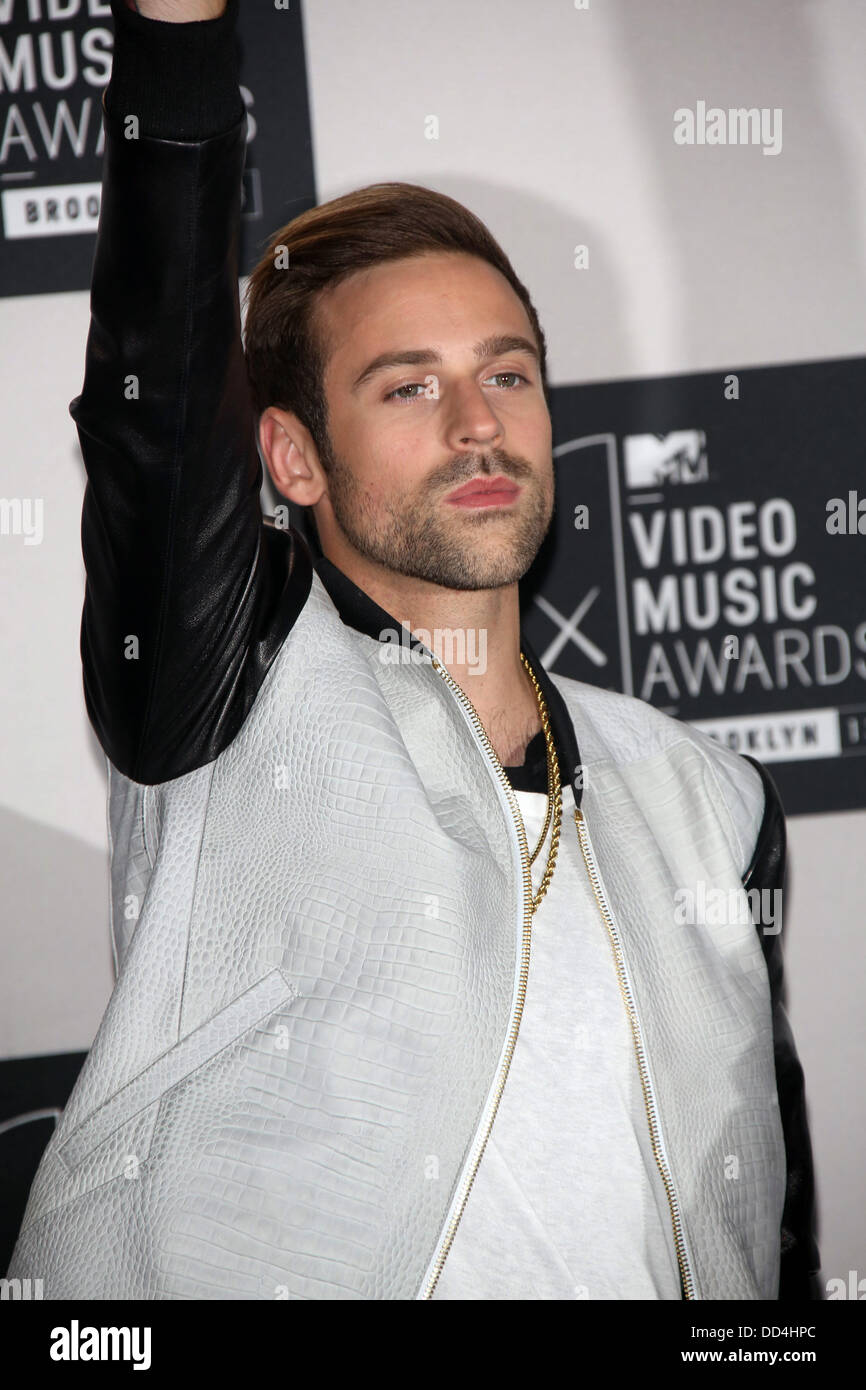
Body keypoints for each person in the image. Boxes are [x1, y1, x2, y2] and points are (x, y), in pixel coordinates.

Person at [8, 0, 820, 1300]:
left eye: (505, 374)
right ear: (288, 455)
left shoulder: (708, 795)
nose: (474, 424)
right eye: (405, 386)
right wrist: (178, 38)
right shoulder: (228, 682)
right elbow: (156, 400)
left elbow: (761, 1217)